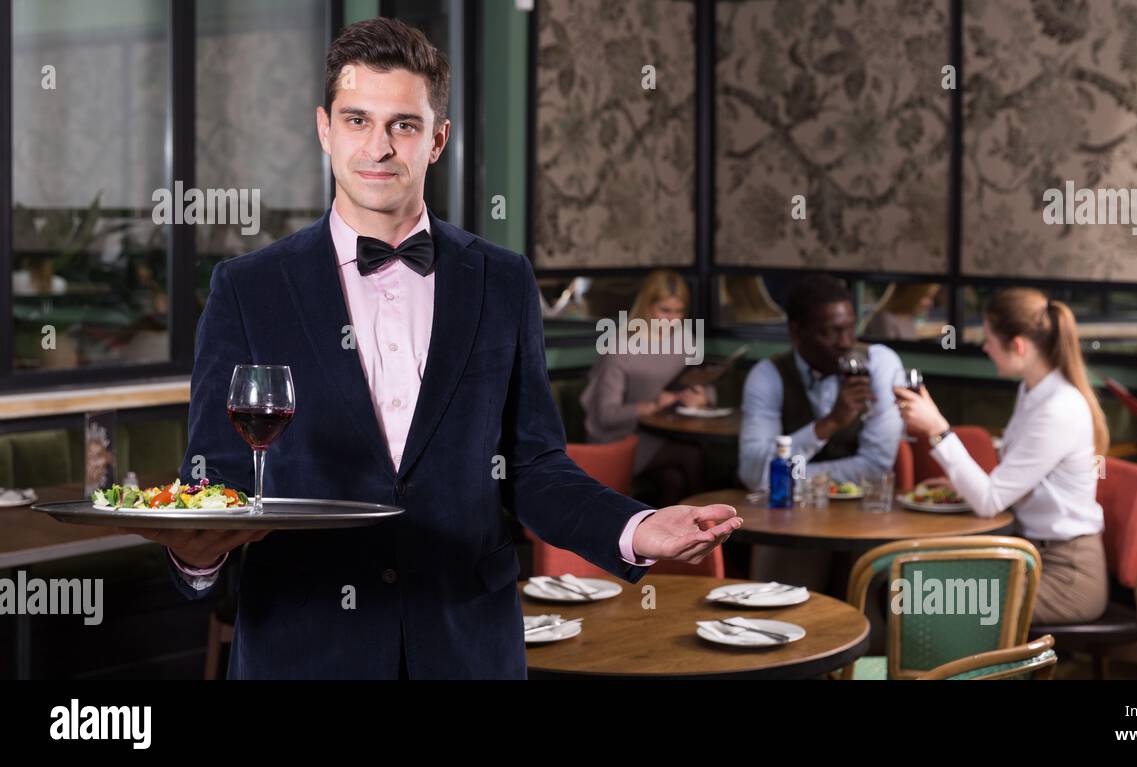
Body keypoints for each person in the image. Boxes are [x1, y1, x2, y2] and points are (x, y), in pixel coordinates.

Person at [118, 18, 739, 679]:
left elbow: (535, 467)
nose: (378, 148)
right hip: (304, 650)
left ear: (438, 138)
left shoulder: (502, 280)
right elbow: (216, 476)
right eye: (357, 120)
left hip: (467, 647)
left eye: (403, 125)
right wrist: (198, 551)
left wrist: (636, 528)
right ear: (324, 129)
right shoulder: (247, 288)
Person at [894, 288, 1108, 624]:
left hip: (1066, 575)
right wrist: (957, 482)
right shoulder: (1032, 390)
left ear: (1019, 345)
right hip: (1029, 556)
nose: (985, 347)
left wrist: (937, 429)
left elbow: (990, 500)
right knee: (903, 588)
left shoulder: (1059, 408)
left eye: (989, 338)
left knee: (917, 602)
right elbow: (1011, 479)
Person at [738, 273, 904, 587]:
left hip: (866, 516)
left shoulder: (880, 364)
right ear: (795, 332)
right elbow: (754, 472)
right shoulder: (768, 376)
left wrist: (790, 477)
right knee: (778, 598)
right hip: (790, 519)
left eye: (849, 328)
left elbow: (876, 467)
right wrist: (826, 426)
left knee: (874, 595)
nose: (844, 342)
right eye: (829, 332)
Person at [581, 270, 711, 506]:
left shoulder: (684, 339)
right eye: (664, 310)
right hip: (617, 439)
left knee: (675, 480)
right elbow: (606, 415)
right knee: (692, 455)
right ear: (647, 307)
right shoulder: (621, 348)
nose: (672, 319)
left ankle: (674, 541)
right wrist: (651, 406)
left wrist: (704, 398)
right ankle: (719, 535)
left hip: (661, 434)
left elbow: (705, 382)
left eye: (679, 312)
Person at [862, 282, 940, 340]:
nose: (931, 303)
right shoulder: (883, 318)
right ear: (911, 294)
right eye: (927, 296)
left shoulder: (907, 318)